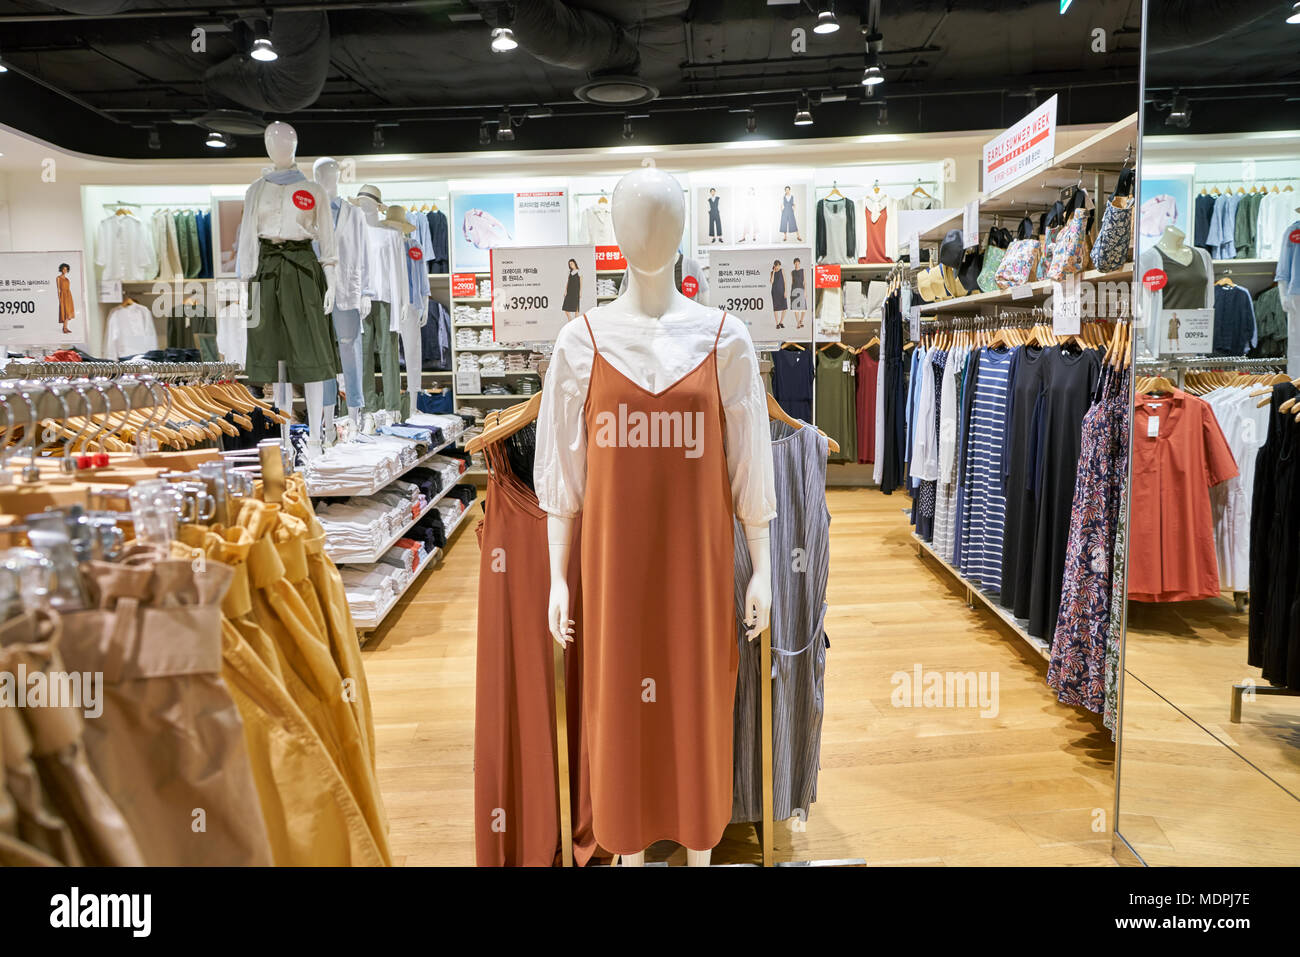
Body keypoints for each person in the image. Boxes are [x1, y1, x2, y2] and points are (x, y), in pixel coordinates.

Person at [56, 262, 74, 335]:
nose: (65, 271)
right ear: (61, 269)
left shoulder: (67, 279)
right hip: (63, 295)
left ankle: (65, 327)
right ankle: (64, 328)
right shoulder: (58, 278)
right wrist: (59, 298)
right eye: (64, 269)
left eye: (66, 269)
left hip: (68, 295)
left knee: (68, 312)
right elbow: (58, 289)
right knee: (64, 311)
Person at [789, 256, 807, 330]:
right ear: (794, 264)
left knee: (803, 308)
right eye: (795, 263)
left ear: (799, 263)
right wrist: (791, 293)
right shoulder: (792, 272)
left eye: (798, 263)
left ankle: (801, 321)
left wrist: (805, 292)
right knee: (795, 308)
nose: (796, 264)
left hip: (801, 290)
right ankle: (798, 323)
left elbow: (805, 282)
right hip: (794, 290)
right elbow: (792, 282)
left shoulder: (803, 271)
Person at [771, 259, 788, 329]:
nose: (777, 267)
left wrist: (785, 291)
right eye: (776, 266)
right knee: (776, 308)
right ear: (774, 266)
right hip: (774, 292)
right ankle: (777, 323)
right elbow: (771, 282)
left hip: (782, 292)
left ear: (780, 266)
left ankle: (781, 322)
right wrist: (774, 272)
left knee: (785, 308)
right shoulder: (772, 272)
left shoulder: (782, 271)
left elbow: (785, 282)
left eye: (778, 266)